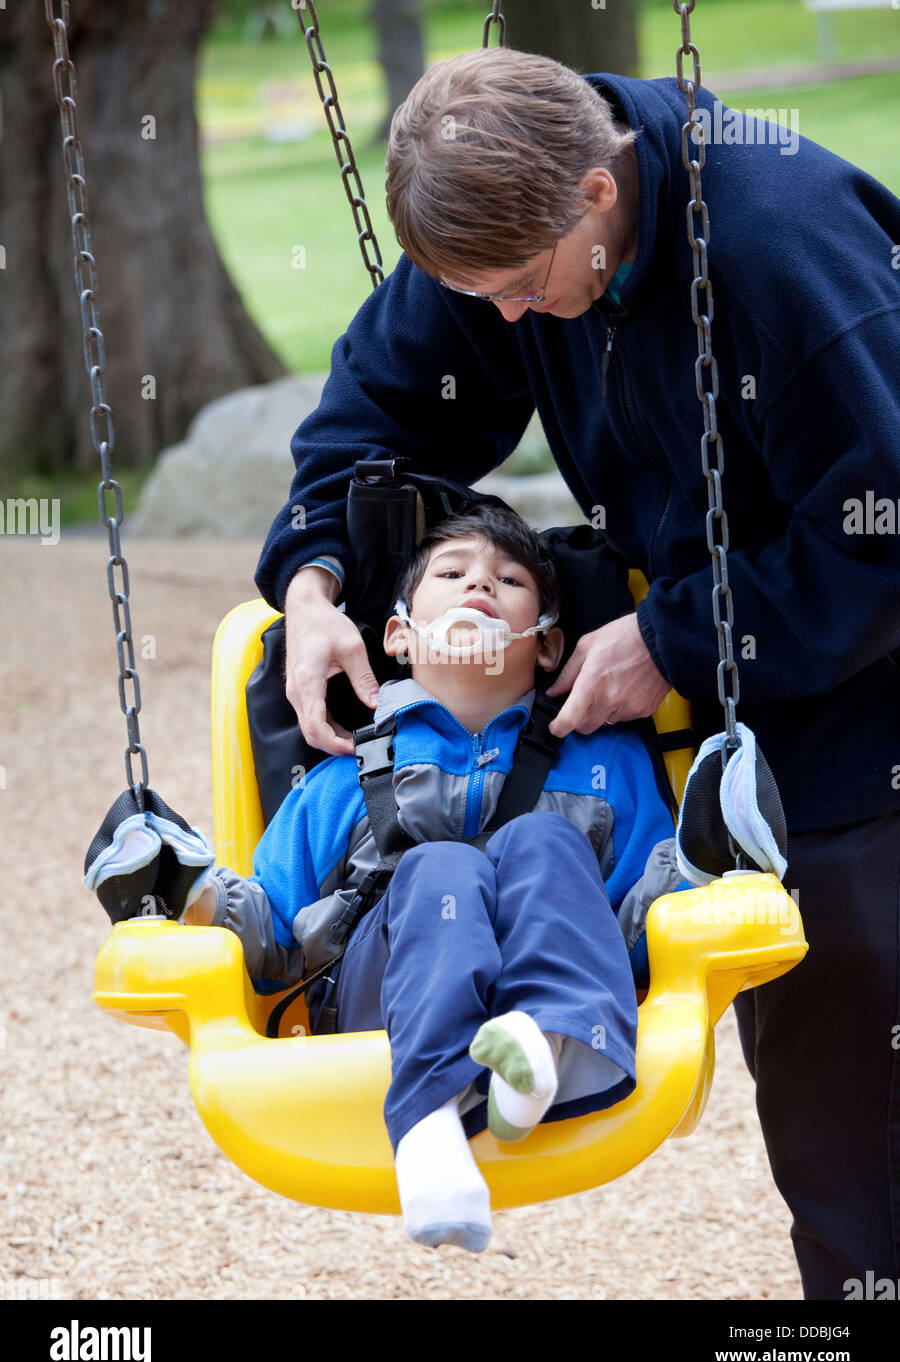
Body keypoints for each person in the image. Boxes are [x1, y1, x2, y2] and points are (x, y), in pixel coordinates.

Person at [251, 48, 900, 1297]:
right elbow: (377, 411)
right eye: (473, 293)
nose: (499, 321)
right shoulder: (509, 221)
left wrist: (673, 639)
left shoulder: (783, 254)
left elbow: (879, 526)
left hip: (866, 678)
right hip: (736, 646)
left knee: (851, 1079)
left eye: (516, 288)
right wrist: (316, 577)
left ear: (599, 192)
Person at [184, 503, 688, 1251]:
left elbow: (646, 925)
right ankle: (428, 1120)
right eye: (453, 574)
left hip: (567, 1003)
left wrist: (705, 860)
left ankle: (542, 1046)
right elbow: (273, 932)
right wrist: (188, 887)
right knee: (440, 865)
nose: (479, 584)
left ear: (548, 645)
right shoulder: (339, 781)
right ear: (398, 634)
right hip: (378, 1007)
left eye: (509, 579)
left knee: (546, 842)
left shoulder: (608, 766)